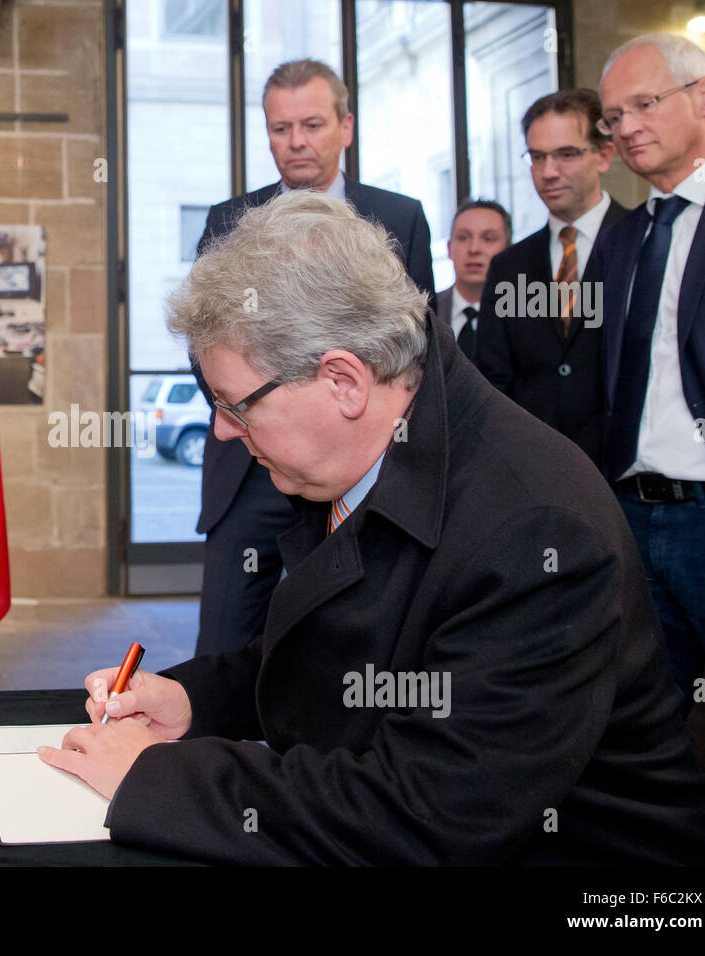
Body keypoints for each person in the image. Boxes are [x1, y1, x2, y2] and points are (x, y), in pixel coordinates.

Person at [38, 189, 705, 866]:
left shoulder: (536, 532)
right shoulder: (362, 450)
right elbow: (340, 658)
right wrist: (196, 699)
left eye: (236, 404)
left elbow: (425, 817)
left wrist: (153, 779)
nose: (222, 430)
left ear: (343, 381)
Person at [193, 58, 434, 658]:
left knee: (356, 641)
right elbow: (206, 343)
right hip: (249, 469)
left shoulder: (400, 217)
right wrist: (255, 422)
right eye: (280, 128)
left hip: (362, 466)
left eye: (312, 124)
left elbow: (416, 346)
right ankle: (209, 753)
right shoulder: (229, 221)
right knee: (224, 642)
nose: (296, 141)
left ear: (345, 127)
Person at [593, 34, 705, 707]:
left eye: (644, 105)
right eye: (613, 116)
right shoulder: (626, 238)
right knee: (655, 722)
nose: (627, 127)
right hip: (630, 515)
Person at [476, 89, 629, 465]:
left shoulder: (639, 243)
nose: (548, 172)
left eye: (566, 154)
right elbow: (492, 382)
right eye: (538, 157)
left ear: (604, 155)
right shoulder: (509, 267)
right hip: (534, 473)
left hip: (625, 477)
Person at [437, 200, 510, 365]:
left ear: (510, 250)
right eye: (463, 238)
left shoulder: (522, 313)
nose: (474, 249)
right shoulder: (425, 312)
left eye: (488, 239)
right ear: (449, 248)